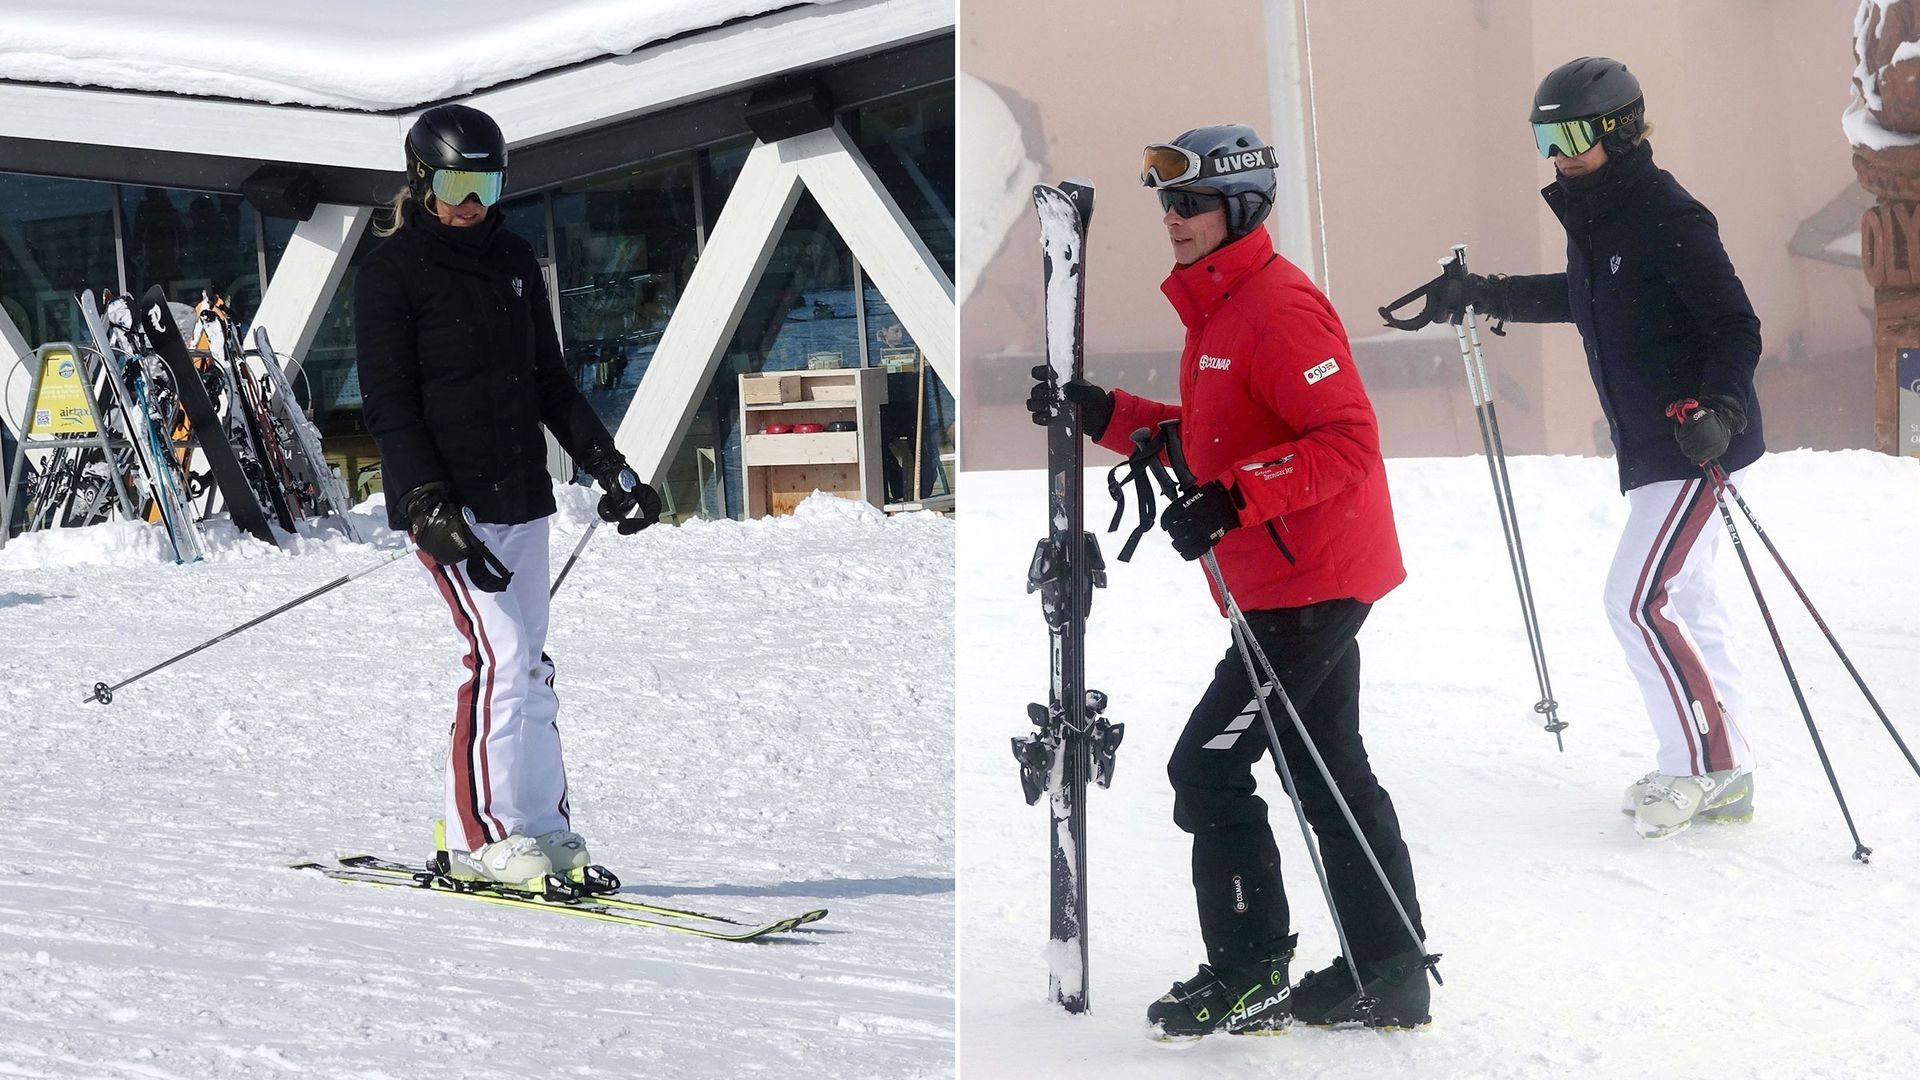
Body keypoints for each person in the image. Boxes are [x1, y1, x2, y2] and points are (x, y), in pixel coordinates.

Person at [1029, 124, 1430, 1037]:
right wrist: (1106, 414)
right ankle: (1391, 970)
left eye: (1192, 202)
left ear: (1240, 206)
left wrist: (1233, 500)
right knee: (1328, 775)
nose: (1172, 218)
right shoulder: (1218, 310)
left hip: (1310, 588)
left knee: (1206, 769)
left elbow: (1345, 442)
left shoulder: (1278, 307)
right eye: (1166, 203)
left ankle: (1249, 967)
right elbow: (1218, 431)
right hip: (1290, 584)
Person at [1427, 57, 1763, 841]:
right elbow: (1588, 297)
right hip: (1654, 445)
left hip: (1692, 442)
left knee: (1637, 601)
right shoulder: (1599, 212)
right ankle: (1728, 769)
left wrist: (1720, 408)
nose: (1556, 152)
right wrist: (1488, 292)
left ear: (1617, 127)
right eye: (1544, 135)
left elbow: (1734, 326)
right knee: (1690, 603)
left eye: (1569, 133)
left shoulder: (1665, 214)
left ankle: (1690, 770)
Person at [355, 103, 661, 889]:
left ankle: (542, 828)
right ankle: (478, 836)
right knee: (499, 657)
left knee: (530, 667)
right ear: (422, 180)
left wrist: (609, 466)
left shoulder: (516, 262)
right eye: (458, 182)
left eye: (487, 182)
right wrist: (427, 503)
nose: (472, 200)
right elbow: (390, 405)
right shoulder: (391, 273)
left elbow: (549, 384)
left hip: (521, 498)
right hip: (449, 508)